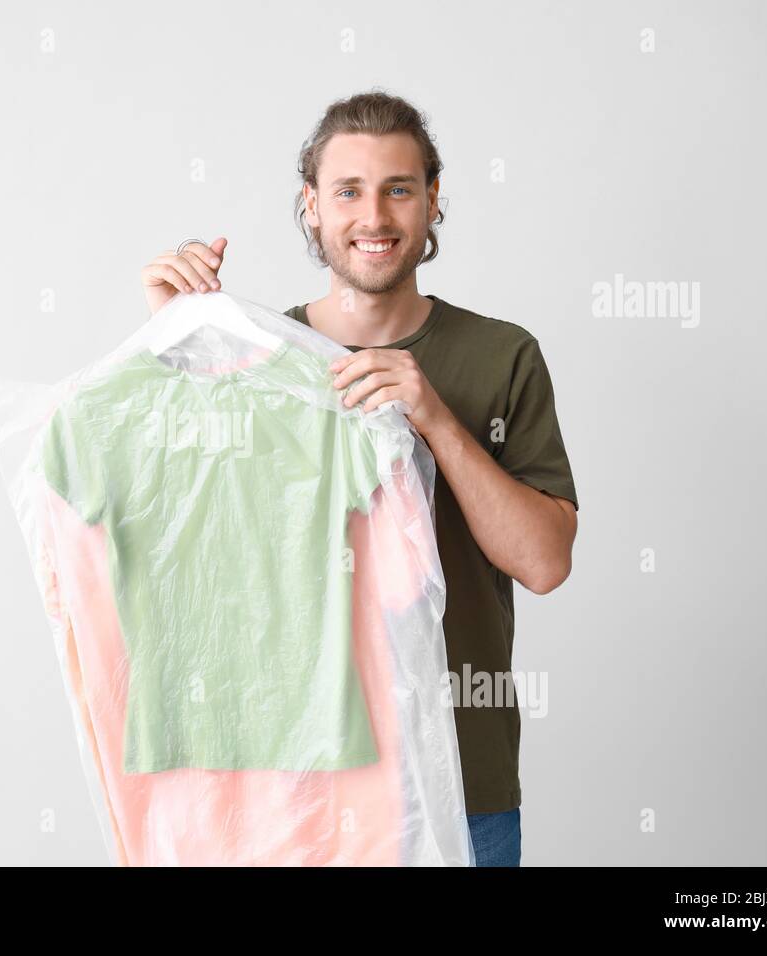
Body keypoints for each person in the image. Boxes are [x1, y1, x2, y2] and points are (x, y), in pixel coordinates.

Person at [139, 89, 579, 866]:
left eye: (398, 189)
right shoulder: (258, 363)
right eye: (348, 191)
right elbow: (177, 551)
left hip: (464, 790)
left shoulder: (503, 355)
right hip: (296, 789)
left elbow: (544, 563)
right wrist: (174, 345)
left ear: (433, 201)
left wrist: (436, 420)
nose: (373, 217)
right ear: (311, 206)